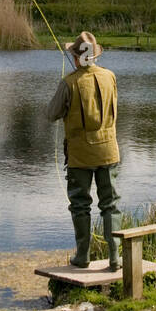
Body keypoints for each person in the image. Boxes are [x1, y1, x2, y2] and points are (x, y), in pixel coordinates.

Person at [45, 30, 122, 269]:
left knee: (80, 204)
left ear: (78, 57)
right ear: (94, 56)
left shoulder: (69, 82)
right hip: (109, 151)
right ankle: (115, 257)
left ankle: (83, 256)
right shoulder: (110, 76)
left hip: (80, 155)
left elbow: (51, 114)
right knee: (110, 204)